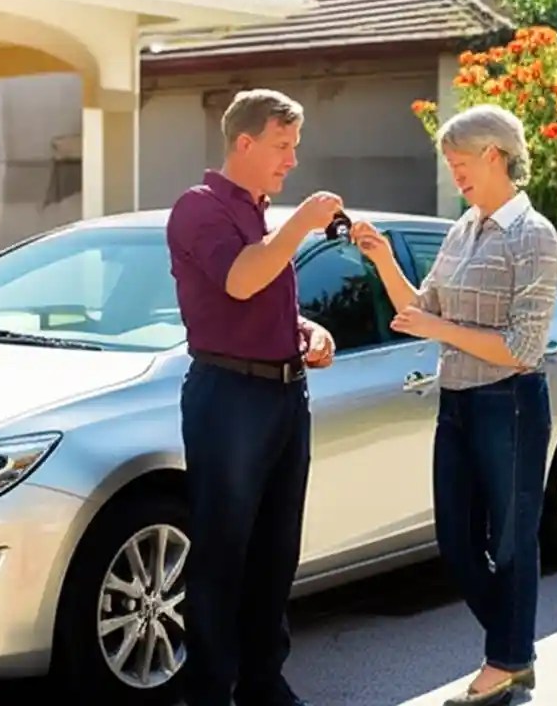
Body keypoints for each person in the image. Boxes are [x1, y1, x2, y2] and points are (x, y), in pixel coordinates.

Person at [351, 104, 557, 706]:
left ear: (494, 155)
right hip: (458, 401)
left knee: (512, 541)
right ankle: (515, 646)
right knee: (457, 541)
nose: (455, 175)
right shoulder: (463, 229)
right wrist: (382, 257)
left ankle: (506, 660)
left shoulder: (534, 236)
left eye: (460, 163)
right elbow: (421, 310)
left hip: (510, 402)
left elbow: (523, 348)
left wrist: (439, 329)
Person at [166, 88, 340, 706]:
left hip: (284, 395)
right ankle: (210, 691)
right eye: (282, 145)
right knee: (223, 551)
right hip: (230, 397)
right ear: (244, 143)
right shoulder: (199, 206)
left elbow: (257, 299)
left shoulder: (259, 213)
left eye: (295, 146)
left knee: (275, 551)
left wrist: (306, 330)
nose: (292, 158)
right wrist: (301, 223)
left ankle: (264, 683)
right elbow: (240, 280)